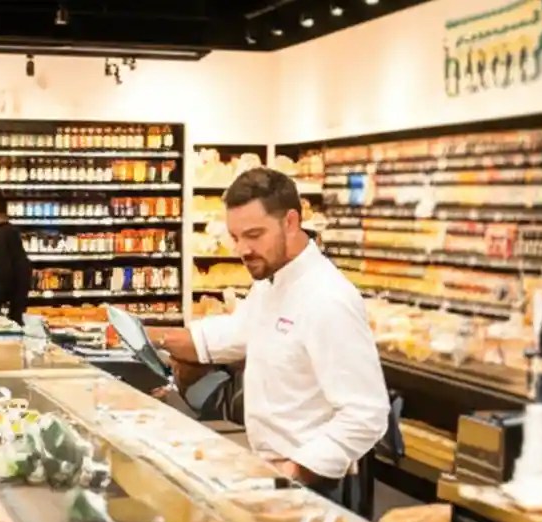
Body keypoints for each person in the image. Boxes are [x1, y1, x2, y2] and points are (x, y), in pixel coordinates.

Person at [149, 168, 390, 504]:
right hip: (269, 474)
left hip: (310, 488)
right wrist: (147, 336)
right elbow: (234, 333)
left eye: (254, 235)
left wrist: (294, 472)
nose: (242, 250)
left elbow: (367, 413)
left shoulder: (327, 298)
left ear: (290, 222)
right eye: (236, 238)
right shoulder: (271, 283)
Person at [0, 185, 33, 324]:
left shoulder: (1, 237)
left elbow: (2, 281)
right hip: (14, 314)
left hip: (4, 319)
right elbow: (23, 272)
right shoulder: (11, 232)